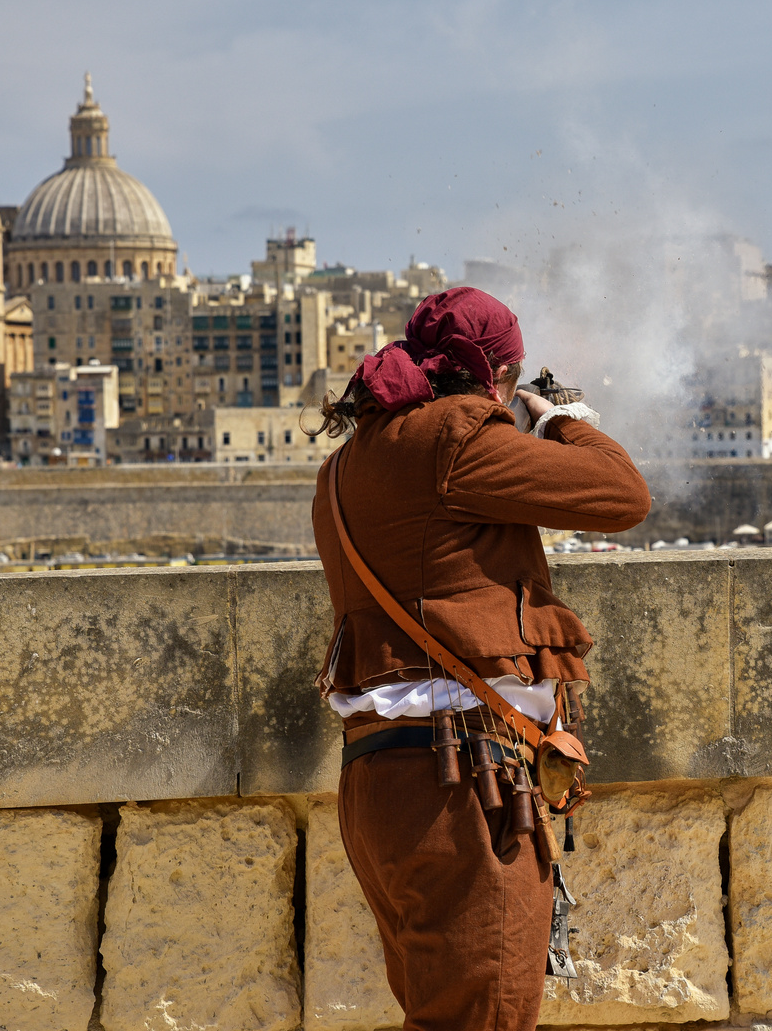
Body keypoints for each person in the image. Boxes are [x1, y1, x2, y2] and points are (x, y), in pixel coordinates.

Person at [310, 286, 651, 1031]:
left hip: (387, 781)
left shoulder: (347, 464)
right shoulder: (455, 438)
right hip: (461, 785)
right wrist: (560, 422)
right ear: (493, 374)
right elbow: (623, 495)